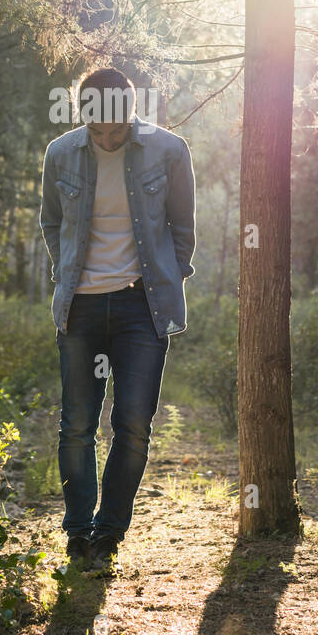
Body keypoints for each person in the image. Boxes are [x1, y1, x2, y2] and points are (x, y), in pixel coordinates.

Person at [39, 68, 196, 575]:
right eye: (96, 130)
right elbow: (52, 222)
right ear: (80, 113)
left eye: (117, 129)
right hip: (80, 306)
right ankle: (77, 533)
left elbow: (181, 229)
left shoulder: (169, 151)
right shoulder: (60, 153)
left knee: (132, 425)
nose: (107, 139)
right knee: (77, 424)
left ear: (132, 111)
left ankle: (109, 533)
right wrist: (67, 273)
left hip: (140, 307)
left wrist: (170, 280)